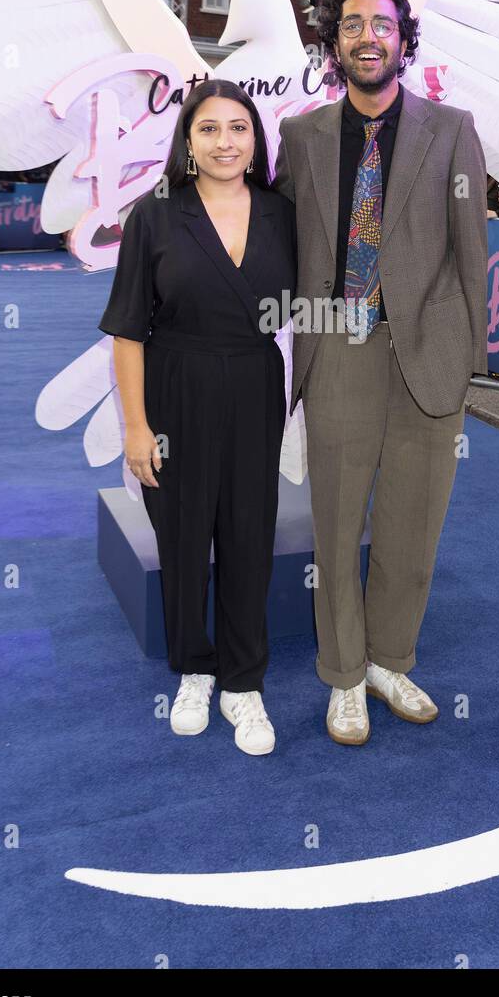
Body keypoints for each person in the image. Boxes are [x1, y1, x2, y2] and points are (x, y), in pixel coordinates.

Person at [274, 0, 488, 747]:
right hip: (337, 347)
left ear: (404, 40)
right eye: (354, 24)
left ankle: (391, 660)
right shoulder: (301, 137)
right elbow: (275, 241)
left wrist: (468, 355)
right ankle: (343, 676)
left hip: (426, 354)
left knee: (411, 524)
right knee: (335, 526)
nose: (369, 36)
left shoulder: (452, 129)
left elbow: (473, 247)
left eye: (384, 24)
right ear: (335, 42)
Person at [99, 79, 296, 757]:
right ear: (187, 140)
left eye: (238, 128)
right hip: (175, 385)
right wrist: (134, 426)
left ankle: (244, 682)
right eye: (209, 128)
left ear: (256, 140)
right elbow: (128, 331)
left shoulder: (282, 213)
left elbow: (320, 301)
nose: (224, 142)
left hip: (253, 384)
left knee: (248, 533)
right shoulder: (153, 216)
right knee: (182, 538)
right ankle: (194, 669)